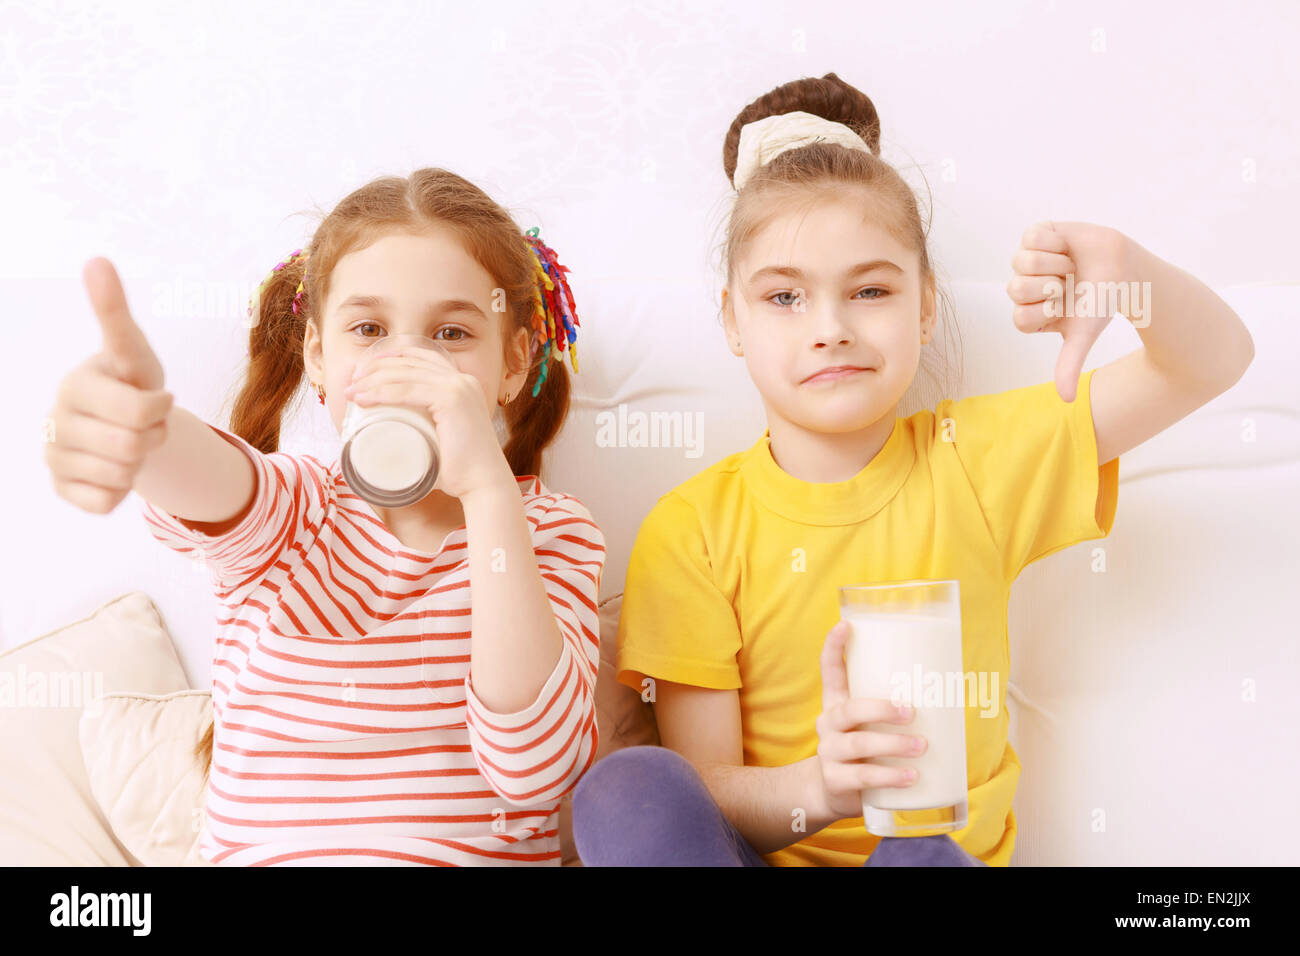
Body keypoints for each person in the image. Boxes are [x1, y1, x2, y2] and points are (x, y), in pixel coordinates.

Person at [573, 72, 1254, 867]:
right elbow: (707, 787)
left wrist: (1131, 271)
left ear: (925, 307)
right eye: (785, 297)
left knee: (915, 853)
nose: (830, 328)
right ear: (733, 320)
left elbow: (1214, 361)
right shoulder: (690, 530)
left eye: (869, 290)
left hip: (930, 860)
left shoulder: (977, 463)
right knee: (626, 788)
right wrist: (818, 789)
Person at [42, 168, 605, 866]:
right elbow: (210, 476)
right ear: (317, 356)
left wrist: (489, 495)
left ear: (514, 363)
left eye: (452, 333)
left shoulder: (550, 531)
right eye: (369, 329)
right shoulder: (297, 510)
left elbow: (537, 770)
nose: (407, 363)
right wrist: (143, 429)